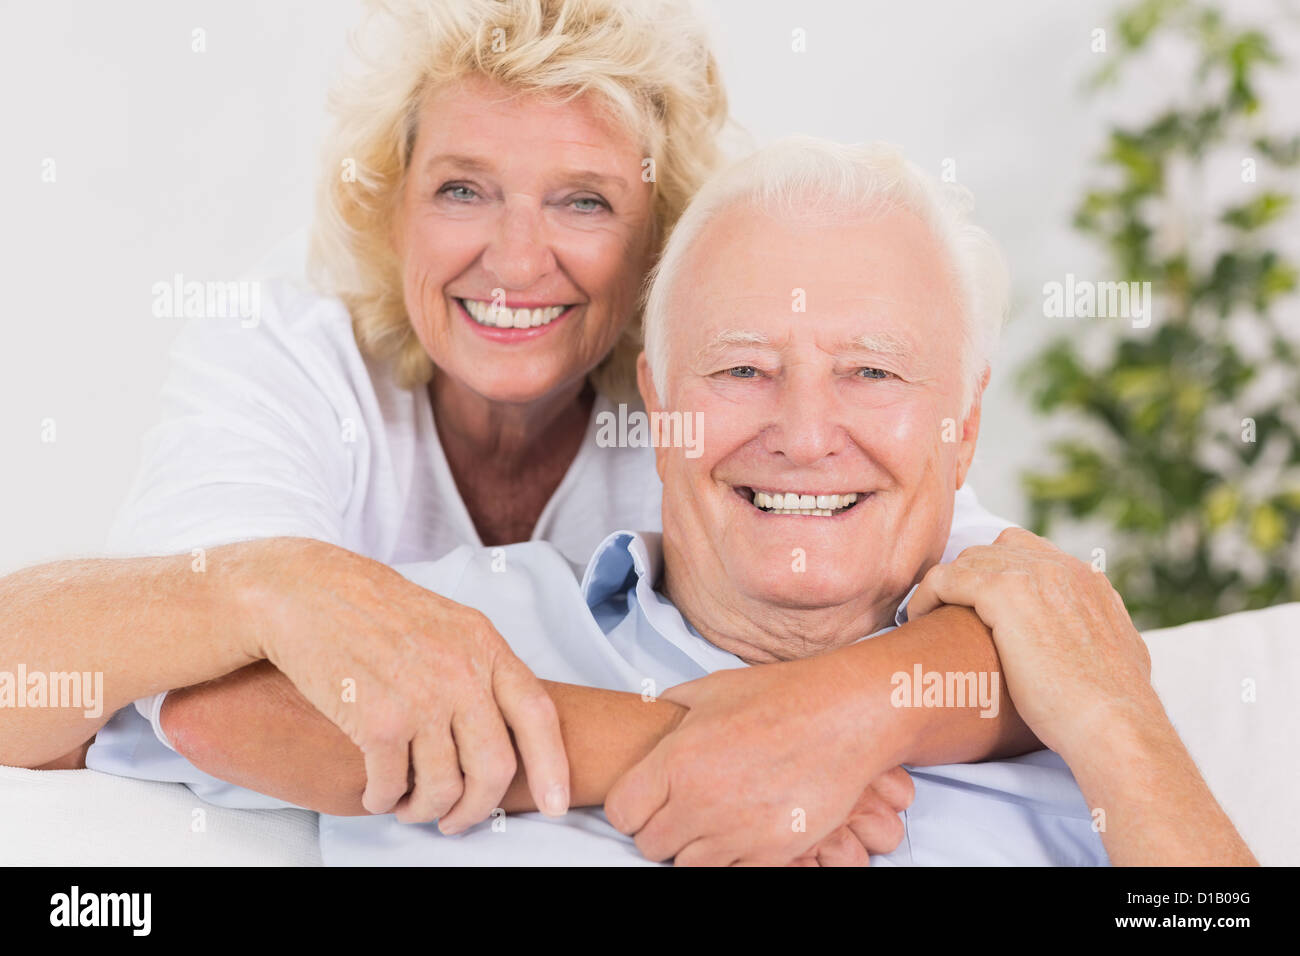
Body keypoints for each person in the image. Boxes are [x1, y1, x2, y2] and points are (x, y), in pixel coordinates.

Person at [0, 0, 1029, 859]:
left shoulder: (720, 402)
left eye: (583, 201)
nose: (516, 258)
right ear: (391, 206)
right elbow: (133, 698)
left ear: (659, 235)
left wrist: (833, 718)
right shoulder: (293, 360)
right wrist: (691, 755)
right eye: (462, 188)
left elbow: (1022, 632)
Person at [92, 138, 1252, 865]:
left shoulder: (1056, 690)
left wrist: (1111, 726)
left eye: (872, 372)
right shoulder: (471, 625)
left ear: (965, 423)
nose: (803, 433)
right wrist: (689, 749)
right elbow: (189, 704)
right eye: (741, 368)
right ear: (655, 397)